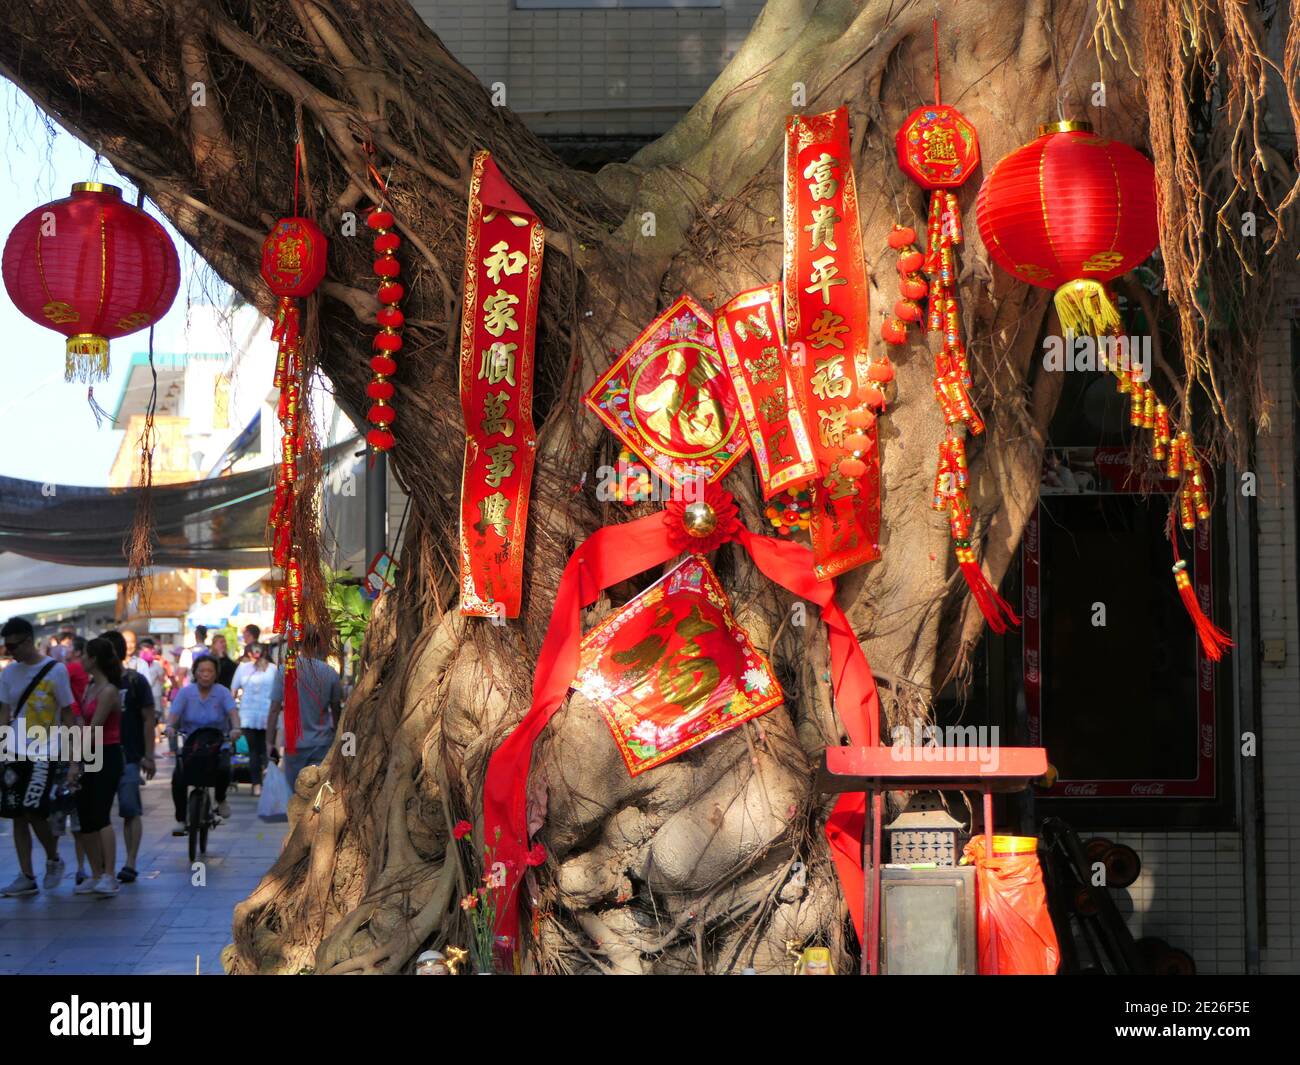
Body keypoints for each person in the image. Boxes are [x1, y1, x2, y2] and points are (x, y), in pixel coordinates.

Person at [0, 617, 73, 896]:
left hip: (45, 751)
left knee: (33, 808)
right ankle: (27, 874)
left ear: (29, 640)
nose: (11, 652)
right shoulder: (8, 674)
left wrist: (72, 754)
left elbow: (68, 712)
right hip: (15, 751)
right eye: (7, 647)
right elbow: (4, 712)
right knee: (16, 813)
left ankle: (53, 858)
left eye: (14, 645)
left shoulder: (56, 671)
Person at [67, 637, 125, 897]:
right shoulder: (90, 686)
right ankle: (96, 873)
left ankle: (110, 875)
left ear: (93, 659)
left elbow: (95, 729)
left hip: (106, 753)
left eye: (84, 655)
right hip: (88, 752)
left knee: (100, 814)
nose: (80, 659)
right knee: (85, 816)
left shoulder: (109, 691)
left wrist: (76, 761)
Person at [99, 630, 155, 883]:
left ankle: (130, 862)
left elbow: (148, 720)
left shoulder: (135, 681)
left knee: (130, 809)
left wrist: (148, 755)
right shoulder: (94, 686)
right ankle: (101, 865)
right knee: (98, 812)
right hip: (97, 756)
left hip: (128, 756)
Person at [166, 655, 240, 831]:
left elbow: (233, 715)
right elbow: (174, 715)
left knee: (224, 768)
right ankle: (181, 819)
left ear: (216, 674)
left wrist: (236, 728)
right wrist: (169, 727)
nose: (206, 675)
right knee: (178, 777)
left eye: (210, 671)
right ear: (195, 673)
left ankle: (220, 799)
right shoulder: (185, 693)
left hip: (217, 743)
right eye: (202, 671)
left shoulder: (222, 692)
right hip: (192, 745)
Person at [267, 631, 342, 793]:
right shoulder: (330, 673)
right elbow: (337, 712)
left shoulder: (284, 672)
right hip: (321, 743)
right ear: (318, 645)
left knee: (296, 794)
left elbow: (274, 709)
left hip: (294, 744)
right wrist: (342, 742)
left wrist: (269, 743)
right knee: (317, 792)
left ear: (298, 645)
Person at [231, 642, 276, 796]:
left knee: (257, 751)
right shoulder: (270, 669)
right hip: (259, 714)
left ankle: (258, 784)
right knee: (261, 750)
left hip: (256, 714)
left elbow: (234, 690)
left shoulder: (246, 668)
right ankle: (262, 783)